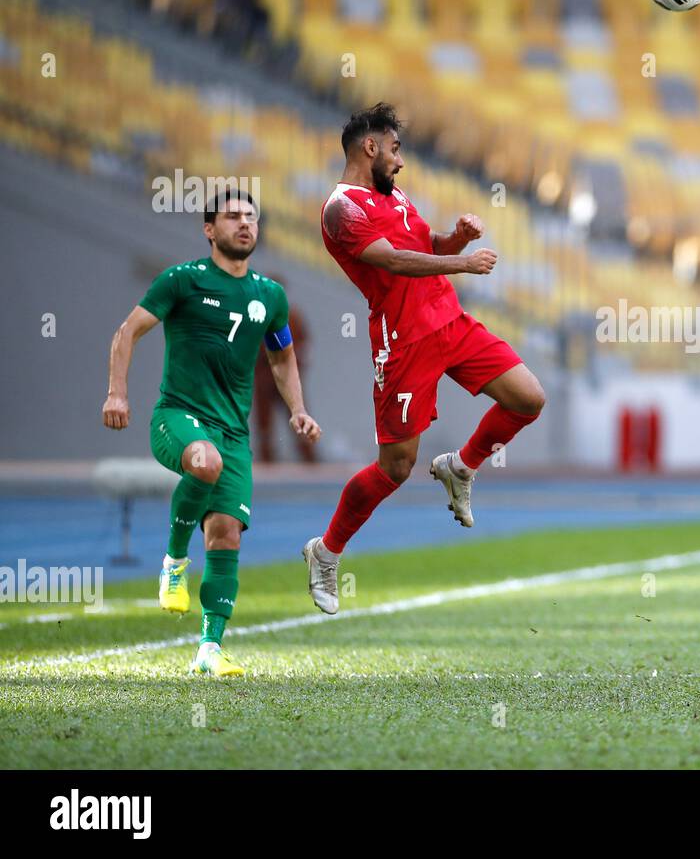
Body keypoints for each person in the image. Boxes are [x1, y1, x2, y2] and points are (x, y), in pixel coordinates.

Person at [303, 103, 545, 615]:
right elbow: (392, 260)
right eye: (394, 150)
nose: (400, 161)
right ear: (370, 147)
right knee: (395, 468)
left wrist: (458, 238)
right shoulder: (340, 210)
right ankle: (326, 551)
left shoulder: (394, 195)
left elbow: (424, 244)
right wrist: (462, 262)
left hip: (450, 321)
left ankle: (461, 466)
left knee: (528, 398)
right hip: (403, 340)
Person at [101, 189, 321, 676]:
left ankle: (209, 647)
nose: (244, 223)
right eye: (232, 216)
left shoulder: (270, 296)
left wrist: (298, 409)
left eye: (251, 216)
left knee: (225, 535)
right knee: (205, 461)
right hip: (177, 417)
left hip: (233, 435)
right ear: (208, 229)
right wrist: (117, 393)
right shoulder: (181, 280)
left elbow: (282, 356)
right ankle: (174, 562)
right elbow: (127, 331)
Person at [254, 302, 316, 463]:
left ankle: (309, 456)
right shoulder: (258, 317)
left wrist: (297, 368)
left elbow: (303, 347)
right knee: (264, 425)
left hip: (286, 381)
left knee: (299, 417)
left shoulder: (292, 318)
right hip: (266, 380)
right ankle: (267, 458)